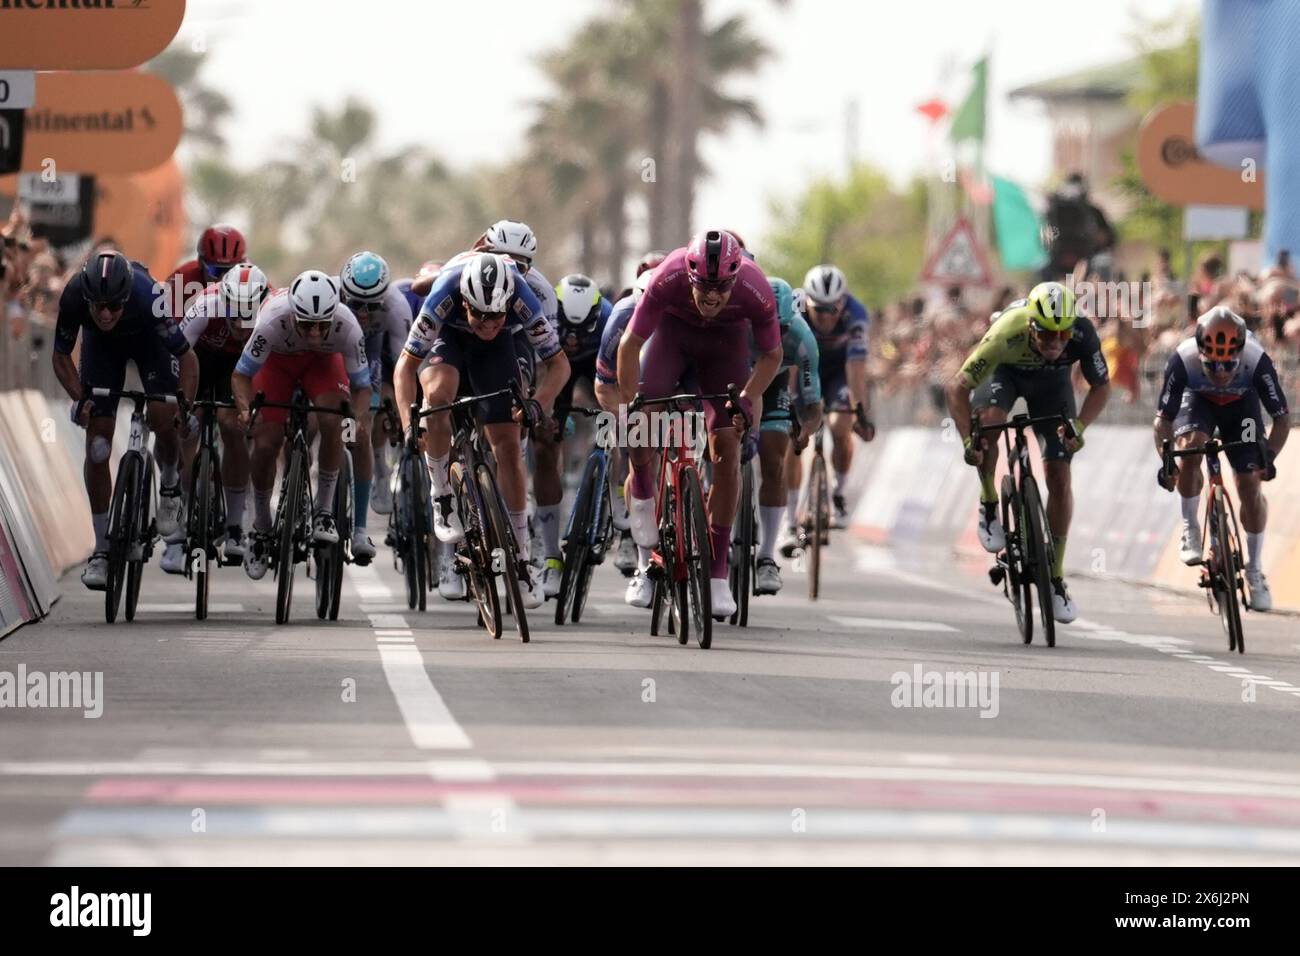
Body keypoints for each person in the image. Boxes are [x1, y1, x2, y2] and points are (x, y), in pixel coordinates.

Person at [616, 229, 783, 619]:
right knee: (643, 422)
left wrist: (746, 398)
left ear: (736, 277)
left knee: (727, 449)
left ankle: (718, 573)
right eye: (704, 287)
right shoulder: (669, 275)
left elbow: (772, 356)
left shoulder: (756, 288)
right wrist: (629, 404)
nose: (712, 297)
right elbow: (629, 345)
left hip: (725, 349)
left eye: (722, 288)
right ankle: (643, 513)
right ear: (688, 276)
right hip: (672, 341)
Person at [394, 252, 570, 609]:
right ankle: (442, 495)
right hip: (449, 340)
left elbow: (559, 365)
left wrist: (539, 403)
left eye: (496, 316)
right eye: (479, 314)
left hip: (500, 351)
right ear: (464, 301)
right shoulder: (445, 291)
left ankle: (520, 560)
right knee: (438, 395)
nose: (488, 324)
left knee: (507, 445)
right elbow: (405, 366)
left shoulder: (521, 295)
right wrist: (406, 424)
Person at [946, 281, 1111, 623]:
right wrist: (968, 441)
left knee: (1060, 477)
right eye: (1046, 335)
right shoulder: (1007, 331)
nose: (1054, 343)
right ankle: (990, 501)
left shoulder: (1082, 332)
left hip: (1052, 386)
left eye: (1062, 336)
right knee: (991, 422)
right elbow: (957, 388)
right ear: (1030, 326)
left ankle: (1054, 578)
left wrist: (1079, 426)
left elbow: (1101, 386)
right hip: (1003, 375)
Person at [52, 251, 199, 589]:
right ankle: (102, 551)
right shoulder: (74, 293)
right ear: (87, 299)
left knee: (163, 417)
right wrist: (82, 399)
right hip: (102, 350)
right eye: (98, 307)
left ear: (125, 299)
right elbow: (61, 355)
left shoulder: (149, 295)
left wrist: (185, 406)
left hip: (151, 346)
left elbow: (186, 356)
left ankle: (171, 483)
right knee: (98, 446)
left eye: (114, 307)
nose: (105, 314)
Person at [231, 271, 373, 580]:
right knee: (267, 441)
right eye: (307, 325)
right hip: (277, 365)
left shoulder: (347, 326)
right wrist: (245, 411)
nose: (313, 334)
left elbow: (363, 388)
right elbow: (240, 375)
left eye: (322, 326)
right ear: (293, 314)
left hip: (322, 364)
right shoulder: (271, 318)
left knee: (333, 419)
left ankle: (323, 511)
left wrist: (358, 420)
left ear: (333, 316)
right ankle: (260, 526)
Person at [1154, 306, 1290, 610]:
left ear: (1240, 353)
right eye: (1212, 365)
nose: (1221, 373)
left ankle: (1254, 570)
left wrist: (1268, 456)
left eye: (1229, 364)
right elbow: (1162, 420)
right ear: (1201, 352)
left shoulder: (1256, 360)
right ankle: (1190, 527)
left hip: (1241, 407)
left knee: (1249, 485)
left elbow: (1282, 420)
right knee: (1191, 447)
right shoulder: (1183, 358)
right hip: (1198, 402)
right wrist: (1167, 458)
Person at [173, 262, 270, 571]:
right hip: (199, 360)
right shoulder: (206, 305)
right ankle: (183, 506)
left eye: (248, 315)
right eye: (235, 314)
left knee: (233, 426)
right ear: (224, 302)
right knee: (189, 423)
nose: (242, 325)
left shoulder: (270, 313)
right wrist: (182, 404)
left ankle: (234, 526)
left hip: (239, 367)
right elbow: (176, 355)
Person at [533, 274, 612, 597]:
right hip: (555, 367)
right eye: (570, 330)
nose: (576, 339)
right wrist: (547, 414)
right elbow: (536, 372)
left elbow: (619, 379)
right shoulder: (541, 310)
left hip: (600, 368)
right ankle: (552, 556)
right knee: (545, 447)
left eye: (584, 331)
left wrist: (616, 419)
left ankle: (617, 498)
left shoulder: (609, 318)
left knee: (622, 430)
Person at [335, 251, 411, 559]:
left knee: (365, 425)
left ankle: (362, 524)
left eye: (372, 305)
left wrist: (397, 402)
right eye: (356, 303)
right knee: (324, 416)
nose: (364, 312)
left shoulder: (396, 307)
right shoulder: (330, 297)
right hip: (336, 353)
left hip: (375, 355)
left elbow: (405, 364)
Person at [790, 263, 873, 531]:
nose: (826, 317)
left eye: (832, 309)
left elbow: (856, 367)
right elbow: (789, 363)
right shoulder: (793, 308)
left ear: (842, 302)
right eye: (819, 309)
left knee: (840, 426)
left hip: (839, 372)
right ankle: (790, 515)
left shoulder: (856, 314)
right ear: (807, 302)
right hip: (804, 368)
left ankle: (838, 493)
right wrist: (790, 403)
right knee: (793, 436)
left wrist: (859, 411)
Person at [753, 277, 822, 595]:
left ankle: (766, 556)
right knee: (719, 448)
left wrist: (805, 431)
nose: (775, 337)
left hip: (774, 388)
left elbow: (813, 404)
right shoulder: (738, 324)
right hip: (733, 377)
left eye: (783, 330)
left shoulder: (803, 338)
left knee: (773, 457)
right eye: (770, 327)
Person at [166, 224, 248, 321]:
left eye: (231, 271)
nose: (222, 279)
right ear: (200, 263)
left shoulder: (256, 284)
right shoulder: (181, 280)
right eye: (215, 271)